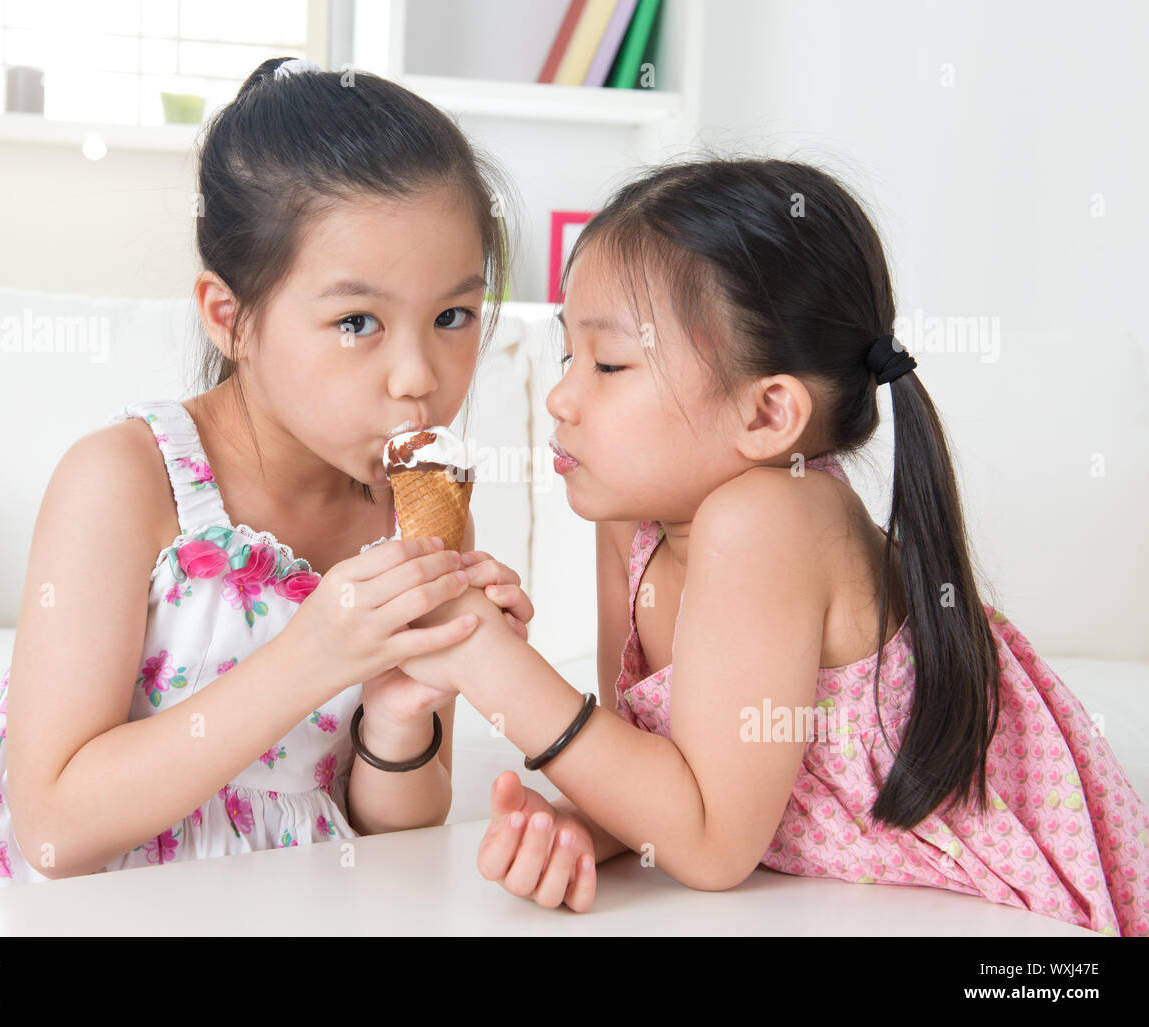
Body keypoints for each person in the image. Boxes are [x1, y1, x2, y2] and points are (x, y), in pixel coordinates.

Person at [400, 157, 1149, 936]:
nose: (560, 396)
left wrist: (490, 662)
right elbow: (670, 766)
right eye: (567, 357)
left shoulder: (772, 519)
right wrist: (584, 824)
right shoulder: (633, 518)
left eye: (610, 364)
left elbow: (714, 841)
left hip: (1022, 930)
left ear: (767, 415)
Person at [0, 57, 530, 900]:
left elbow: (394, 829)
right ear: (231, 318)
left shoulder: (414, 522)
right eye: (357, 322)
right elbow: (51, 829)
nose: (417, 375)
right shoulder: (125, 482)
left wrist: (403, 711)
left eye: (452, 315)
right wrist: (311, 657)